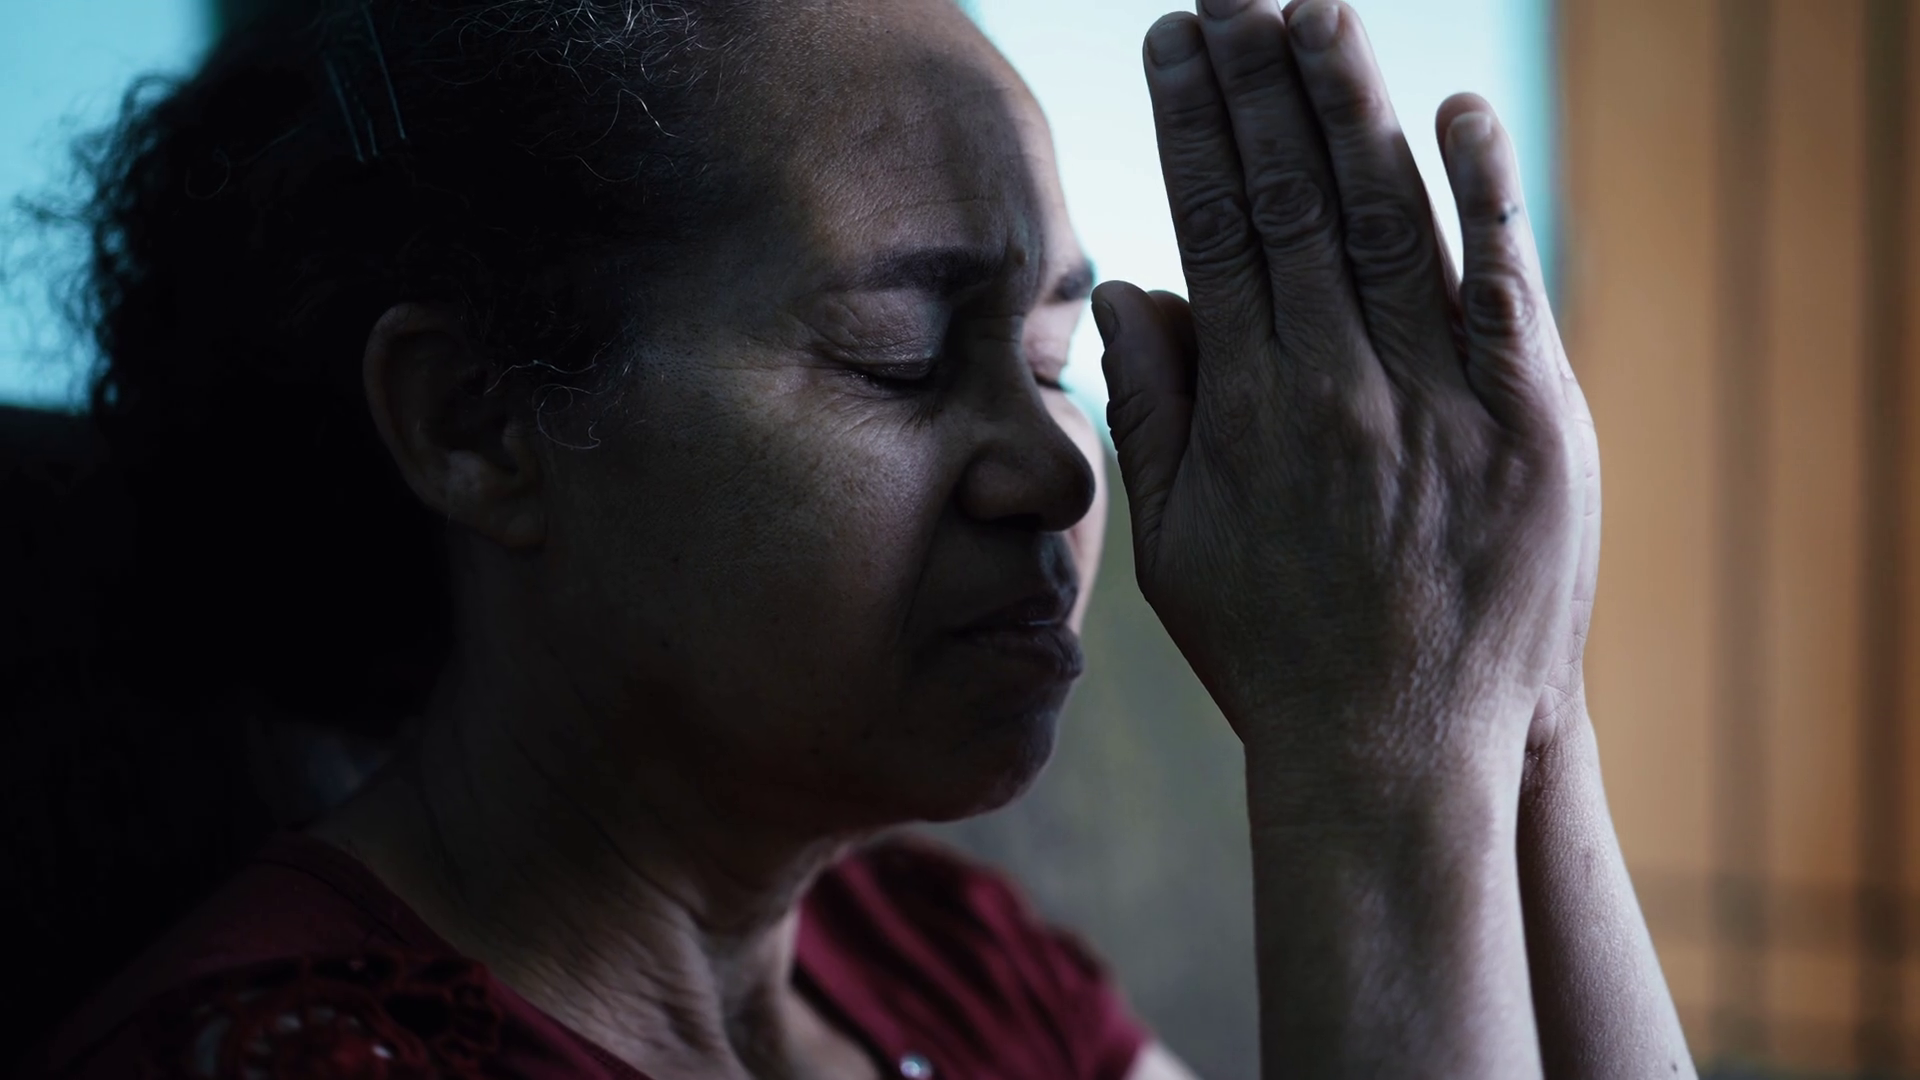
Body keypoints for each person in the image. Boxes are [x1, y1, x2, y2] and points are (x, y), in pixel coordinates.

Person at [17, 0, 1693, 1075]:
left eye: (1054, 361)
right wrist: (1369, 747)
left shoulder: (950, 969)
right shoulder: (273, 1057)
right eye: (903, 358)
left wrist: (1517, 679)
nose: (1057, 467)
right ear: (478, 422)